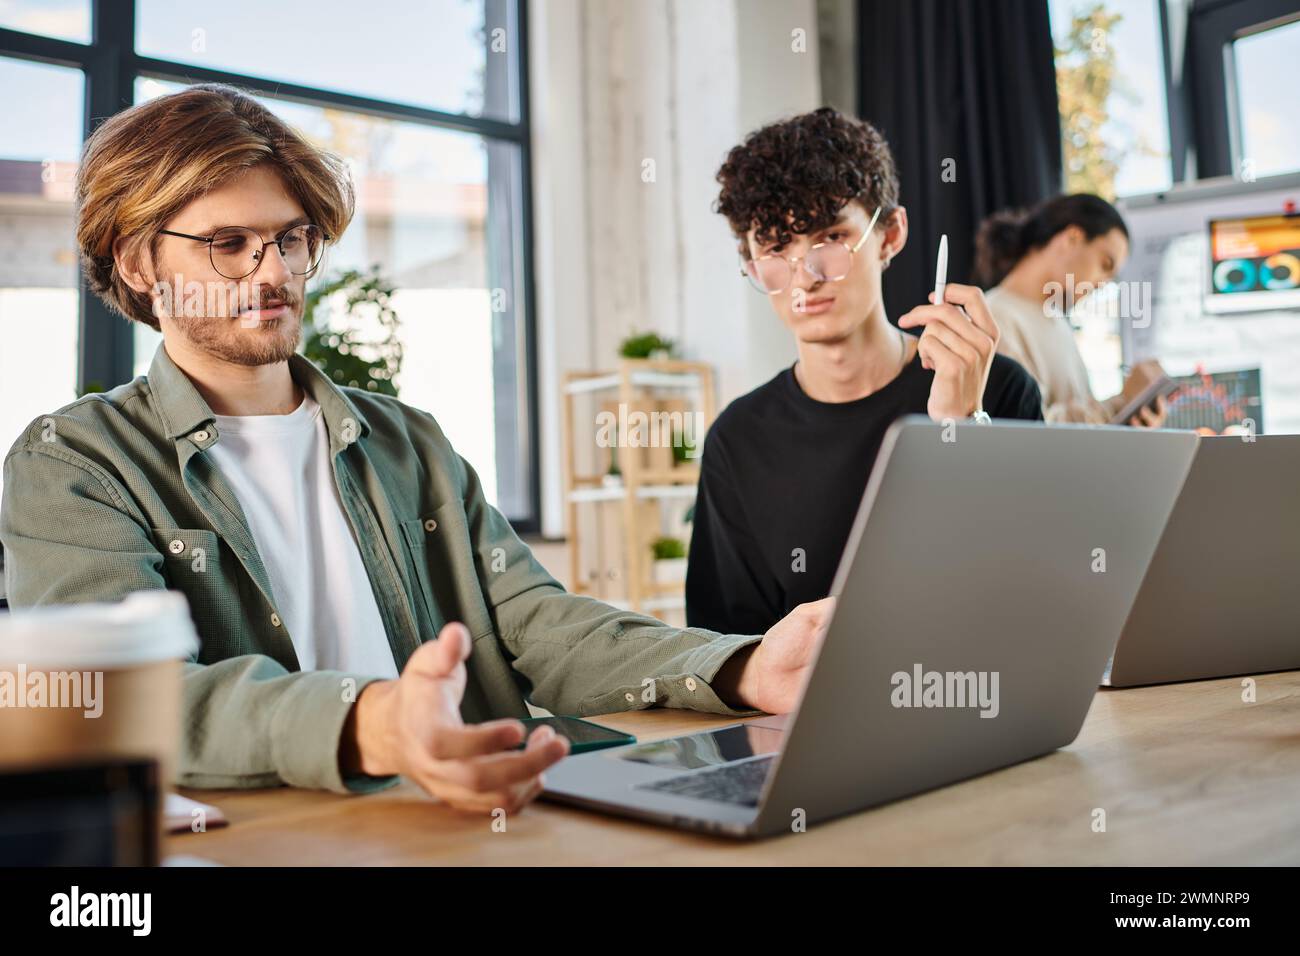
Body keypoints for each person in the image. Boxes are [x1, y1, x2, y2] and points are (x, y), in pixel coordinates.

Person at [0, 84, 834, 815]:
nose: (274, 271)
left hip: (457, 822)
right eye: (229, 244)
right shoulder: (73, 466)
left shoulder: (405, 439)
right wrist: (374, 724)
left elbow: (537, 622)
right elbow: (124, 698)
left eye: (292, 239)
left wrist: (744, 668)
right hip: (274, 841)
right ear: (139, 262)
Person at [685, 108, 1043, 637]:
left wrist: (960, 428)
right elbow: (725, 652)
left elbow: (1025, 601)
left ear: (890, 235)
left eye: (829, 241)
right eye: (775, 251)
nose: (805, 280)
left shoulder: (996, 389)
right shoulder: (738, 440)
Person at [974, 193, 1169, 426]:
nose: (1102, 284)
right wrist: (1122, 401)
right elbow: (1029, 428)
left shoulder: (1057, 322)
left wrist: (1132, 414)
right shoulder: (993, 317)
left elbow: (1076, 429)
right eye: (1105, 264)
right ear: (1072, 238)